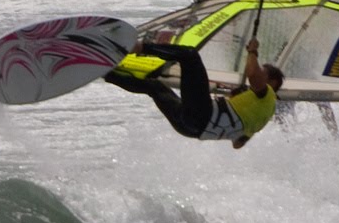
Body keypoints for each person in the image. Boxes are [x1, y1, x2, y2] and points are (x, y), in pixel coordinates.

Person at [104, 37, 283, 149]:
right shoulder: (260, 121)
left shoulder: (266, 94)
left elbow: (252, 73)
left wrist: (252, 51)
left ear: (272, 82)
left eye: (263, 72)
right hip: (189, 129)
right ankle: (107, 74)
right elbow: (237, 144)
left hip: (201, 116)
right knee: (154, 87)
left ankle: (139, 48)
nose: (259, 72)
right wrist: (235, 102)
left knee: (190, 56)